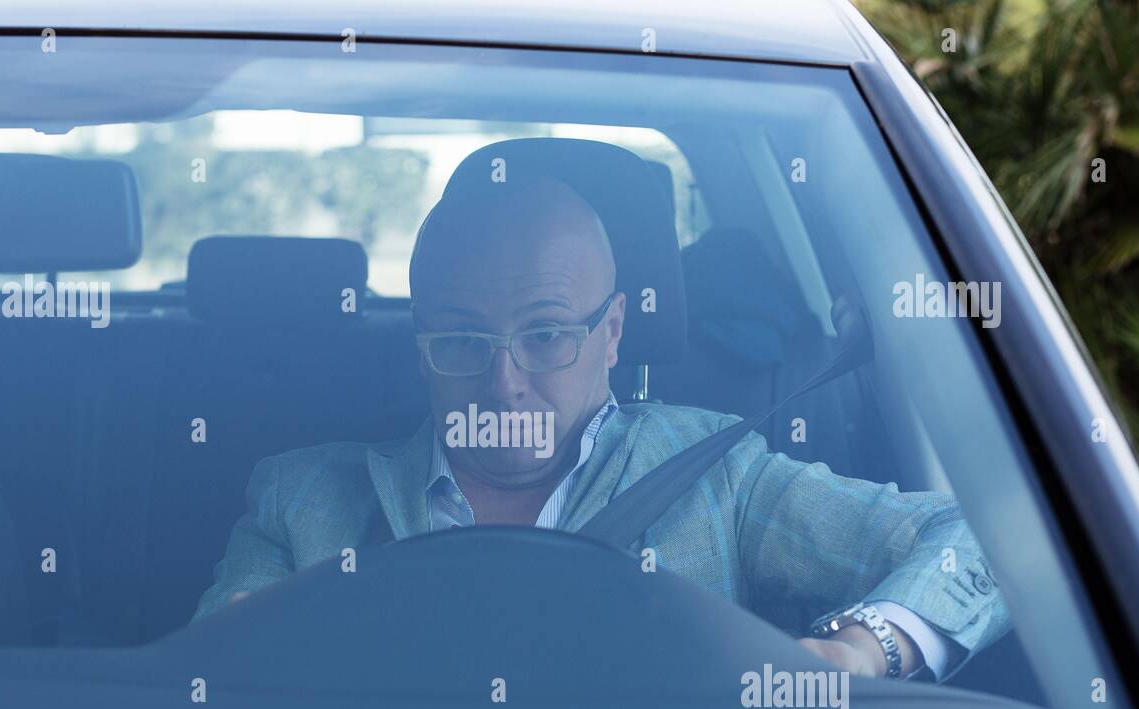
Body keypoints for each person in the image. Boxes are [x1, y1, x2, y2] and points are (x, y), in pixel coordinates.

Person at [192, 173, 1009, 683]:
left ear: (613, 331)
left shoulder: (718, 475)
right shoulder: (301, 500)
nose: (504, 385)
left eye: (546, 334)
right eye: (462, 344)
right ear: (420, 348)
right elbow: (214, 686)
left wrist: (857, 651)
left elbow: (986, 539)